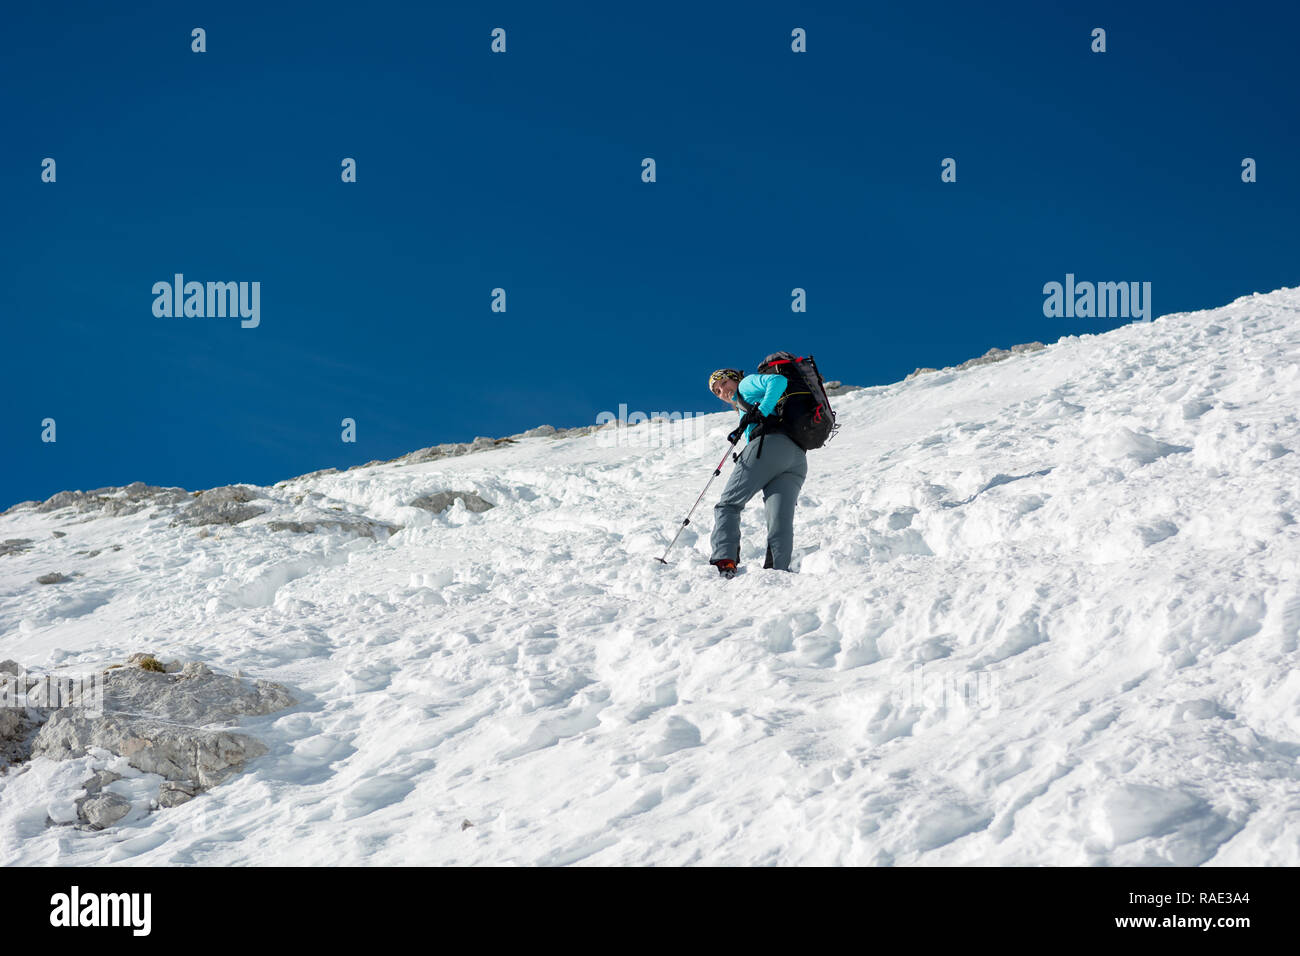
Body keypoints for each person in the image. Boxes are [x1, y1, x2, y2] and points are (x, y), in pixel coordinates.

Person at [707, 368, 808, 576]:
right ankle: (778, 571)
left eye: (724, 383)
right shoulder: (745, 402)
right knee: (779, 518)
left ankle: (726, 560)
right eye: (717, 391)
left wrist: (763, 410)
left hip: (767, 446)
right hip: (796, 458)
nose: (722, 390)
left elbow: (778, 380)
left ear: (735, 379)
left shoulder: (746, 384)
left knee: (728, 505)